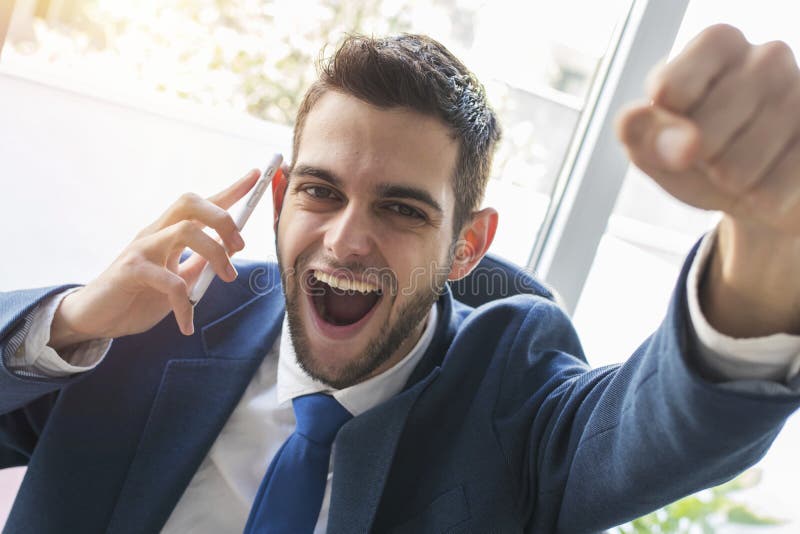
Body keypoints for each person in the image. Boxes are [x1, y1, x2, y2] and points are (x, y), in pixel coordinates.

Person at [2, 24, 800, 533]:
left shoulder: (512, 388)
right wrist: (68, 324)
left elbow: (660, 427)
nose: (347, 240)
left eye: (402, 209)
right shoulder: (156, 321)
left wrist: (766, 246)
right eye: (320, 191)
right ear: (279, 200)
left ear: (467, 246)